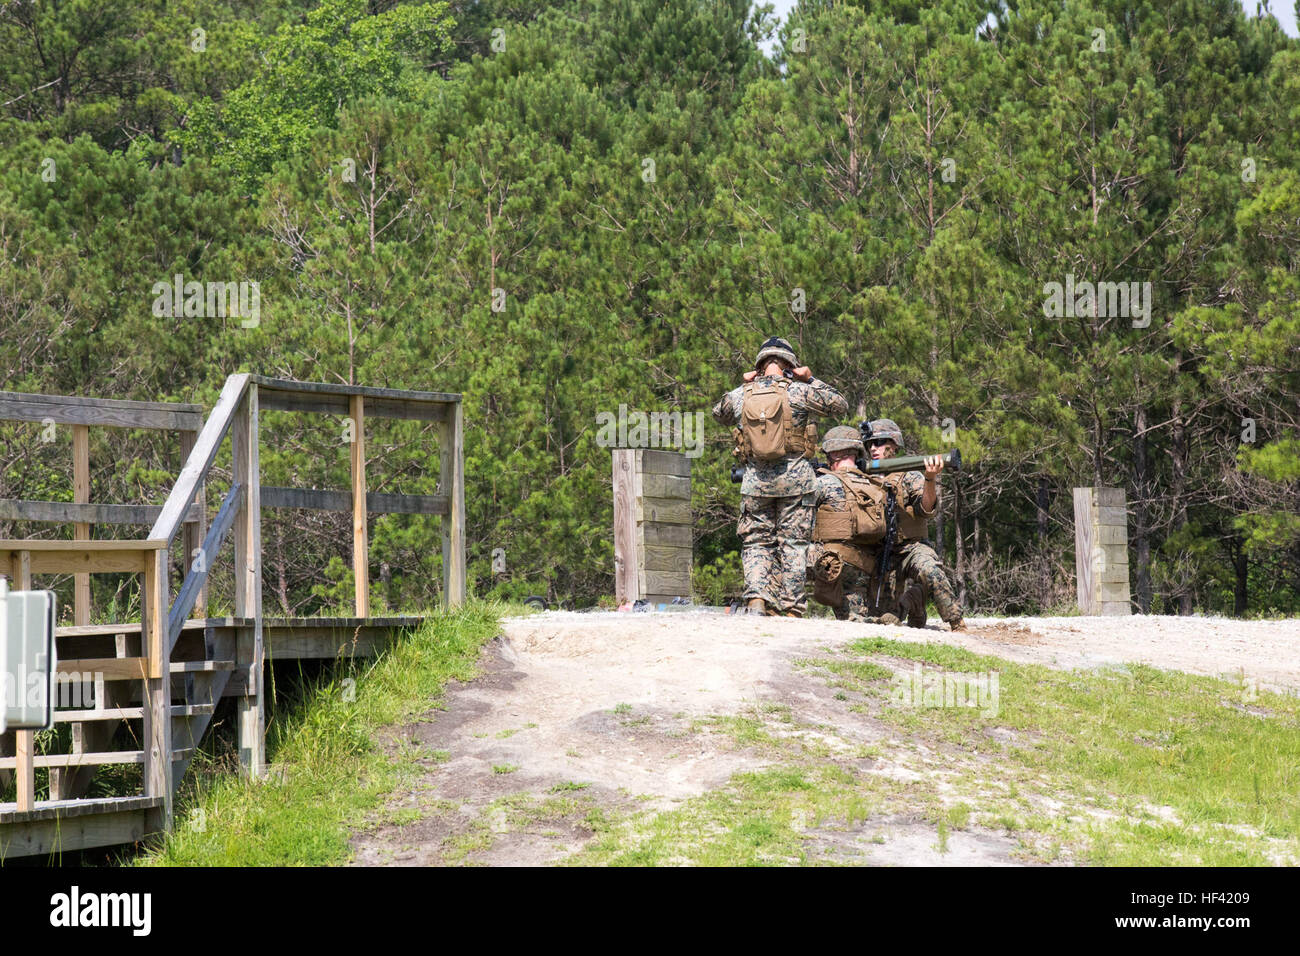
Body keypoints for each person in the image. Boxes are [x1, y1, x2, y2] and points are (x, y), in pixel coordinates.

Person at [713, 337, 847, 617]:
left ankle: (757, 601)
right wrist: (811, 379)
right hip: (795, 481)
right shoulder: (799, 391)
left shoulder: (742, 395)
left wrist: (744, 383)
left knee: (756, 542)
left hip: (755, 483)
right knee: (793, 543)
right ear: (789, 365)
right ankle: (791, 608)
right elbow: (840, 405)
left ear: (760, 364)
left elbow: (719, 413)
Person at [863, 419, 966, 631]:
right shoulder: (864, 477)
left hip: (912, 547)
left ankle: (956, 621)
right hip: (882, 552)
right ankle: (914, 600)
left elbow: (927, 509)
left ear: (894, 445)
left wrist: (930, 479)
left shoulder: (909, 475)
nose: (873, 448)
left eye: (880, 442)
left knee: (931, 571)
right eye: (869, 444)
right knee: (884, 619)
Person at [807, 426, 900, 624]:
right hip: (864, 568)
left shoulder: (825, 483)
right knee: (851, 611)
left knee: (787, 549)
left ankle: (778, 606)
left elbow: (798, 522)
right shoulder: (875, 486)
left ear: (836, 453)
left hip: (830, 563)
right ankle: (866, 619)